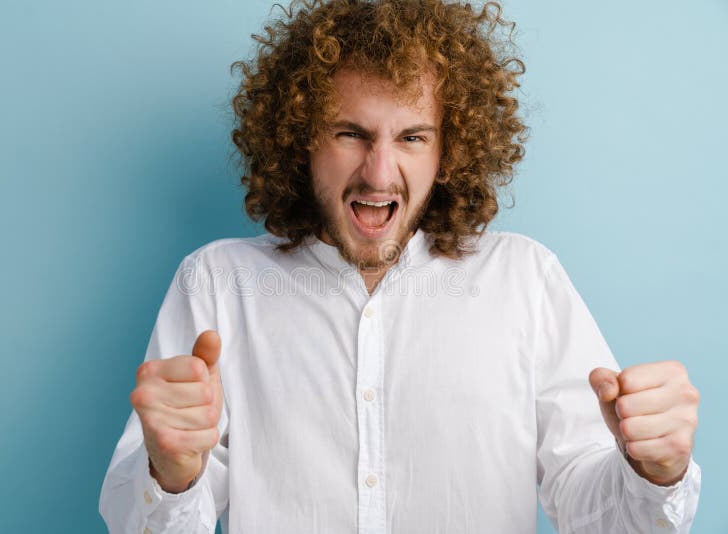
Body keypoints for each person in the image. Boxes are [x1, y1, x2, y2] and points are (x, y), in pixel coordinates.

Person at [99, 1, 701, 532]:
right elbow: (141, 525)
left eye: (412, 138)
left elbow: (604, 520)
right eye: (350, 133)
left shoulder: (525, 279)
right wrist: (172, 474)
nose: (380, 173)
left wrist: (654, 474)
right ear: (301, 139)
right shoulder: (216, 285)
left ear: (450, 150)